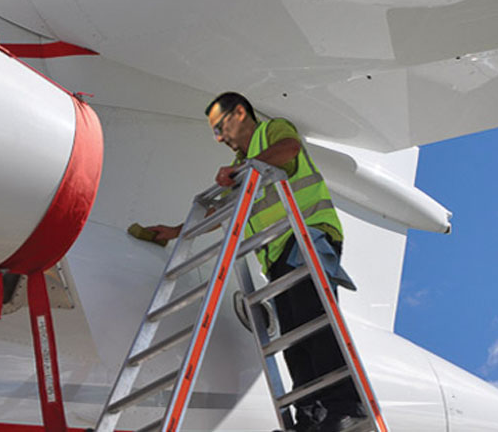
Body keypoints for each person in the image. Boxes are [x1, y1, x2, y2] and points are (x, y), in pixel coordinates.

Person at [143, 92, 362, 432]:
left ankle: (346, 406)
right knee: (293, 338)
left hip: (306, 235)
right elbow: (221, 213)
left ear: (241, 113)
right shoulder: (244, 167)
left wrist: (243, 168)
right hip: (276, 253)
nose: (220, 138)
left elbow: (289, 150)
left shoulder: (272, 132)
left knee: (314, 321)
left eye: (220, 127)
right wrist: (174, 231)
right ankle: (310, 417)